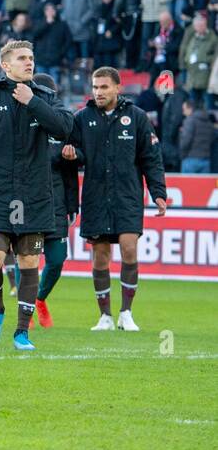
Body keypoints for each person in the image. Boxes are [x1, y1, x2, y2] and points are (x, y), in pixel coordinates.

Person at [0, 40, 74, 351]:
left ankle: (22, 332)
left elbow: (65, 129)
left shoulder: (44, 97)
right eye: (22, 58)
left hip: (34, 195)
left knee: (29, 260)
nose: (29, 62)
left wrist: (33, 101)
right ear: (5, 65)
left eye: (31, 58)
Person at [69, 67, 168, 332]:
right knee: (100, 257)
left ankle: (126, 312)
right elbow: (76, 152)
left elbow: (151, 158)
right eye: (95, 87)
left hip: (127, 196)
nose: (98, 92)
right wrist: (72, 155)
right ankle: (105, 317)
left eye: (103, 87)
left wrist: (158, 193)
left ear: (117, 88)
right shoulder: (82, 118)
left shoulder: (136, 117)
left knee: (128, 249)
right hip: (95, 196)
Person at [30, 73, 80, 329]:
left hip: (57, 203)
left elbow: (74, 166)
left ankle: (39, 298)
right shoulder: (25, 121)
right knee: (26, 258)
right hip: (28, 202)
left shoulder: (63, 124)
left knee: (57, 260)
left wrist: (73, 205)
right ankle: (25, 310)